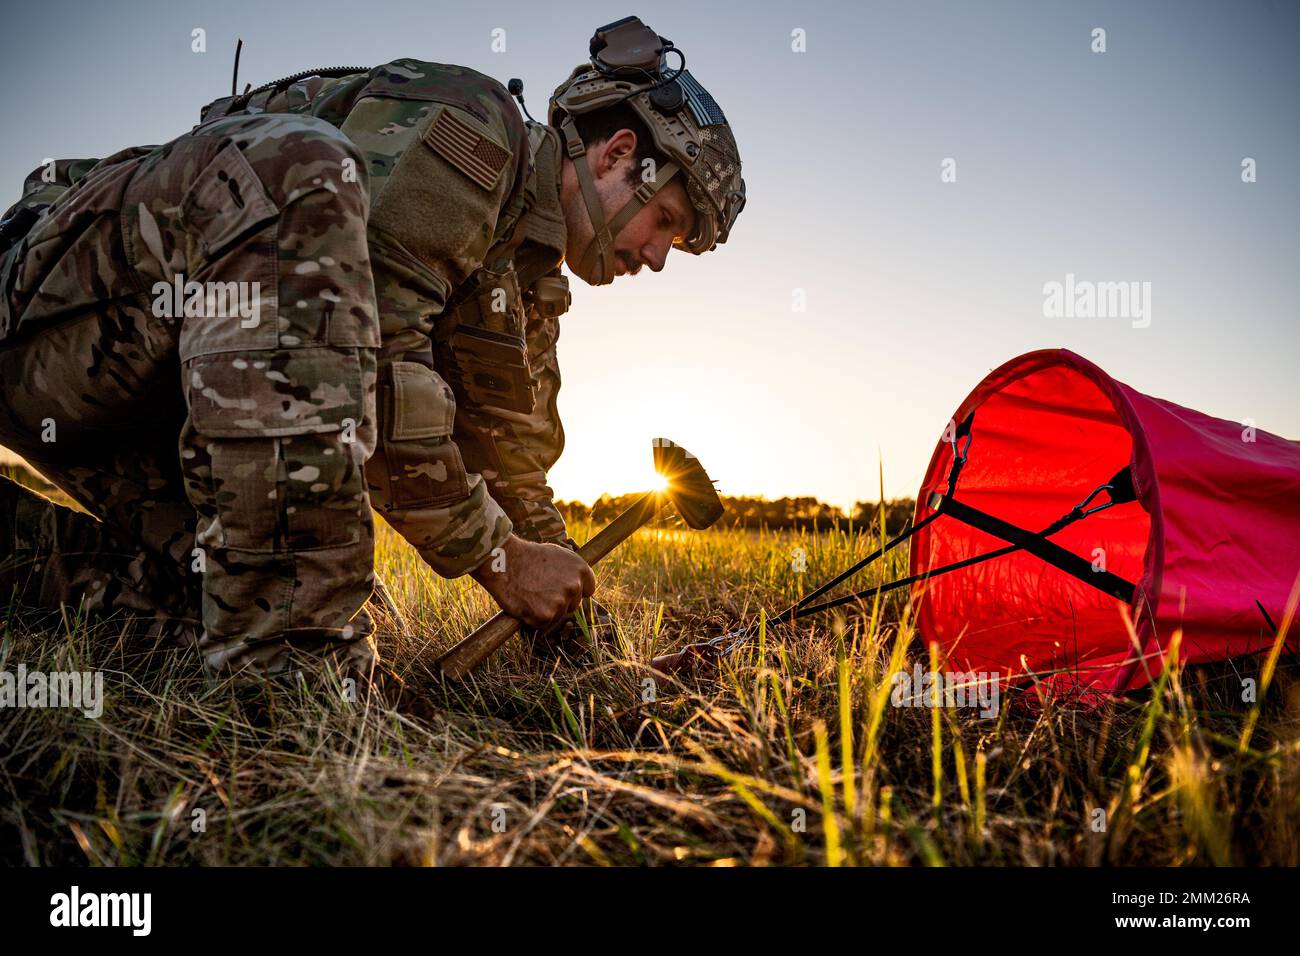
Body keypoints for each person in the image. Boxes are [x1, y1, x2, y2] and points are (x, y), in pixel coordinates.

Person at [0, 16, 745, 686]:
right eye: (666, 222)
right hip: (61, 316)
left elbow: (516, 479)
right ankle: (289, 672)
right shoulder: (474, 128)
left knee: (271, 601)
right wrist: (496, 557)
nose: (655, 259)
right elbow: (375, 352)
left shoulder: (527, 293)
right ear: (618, 155)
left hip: (166, 407)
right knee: (305, 167)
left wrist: (584, 652)